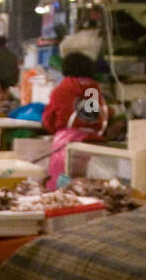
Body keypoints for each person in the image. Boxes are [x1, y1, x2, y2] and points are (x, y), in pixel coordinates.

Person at [41, 51, 109, 190]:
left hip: (66, 142)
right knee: (83, 186)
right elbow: (101, 116)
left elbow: (48, 119)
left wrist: (53, 129)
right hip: (91, 142)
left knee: (60, 183)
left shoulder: (62, 89)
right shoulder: (94, 88)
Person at [0, 36, 20, 101]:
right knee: (6, 100)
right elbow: (16, 69)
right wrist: (15, 82)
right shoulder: (12, 55)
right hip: (9, 82)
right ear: (5, 43)